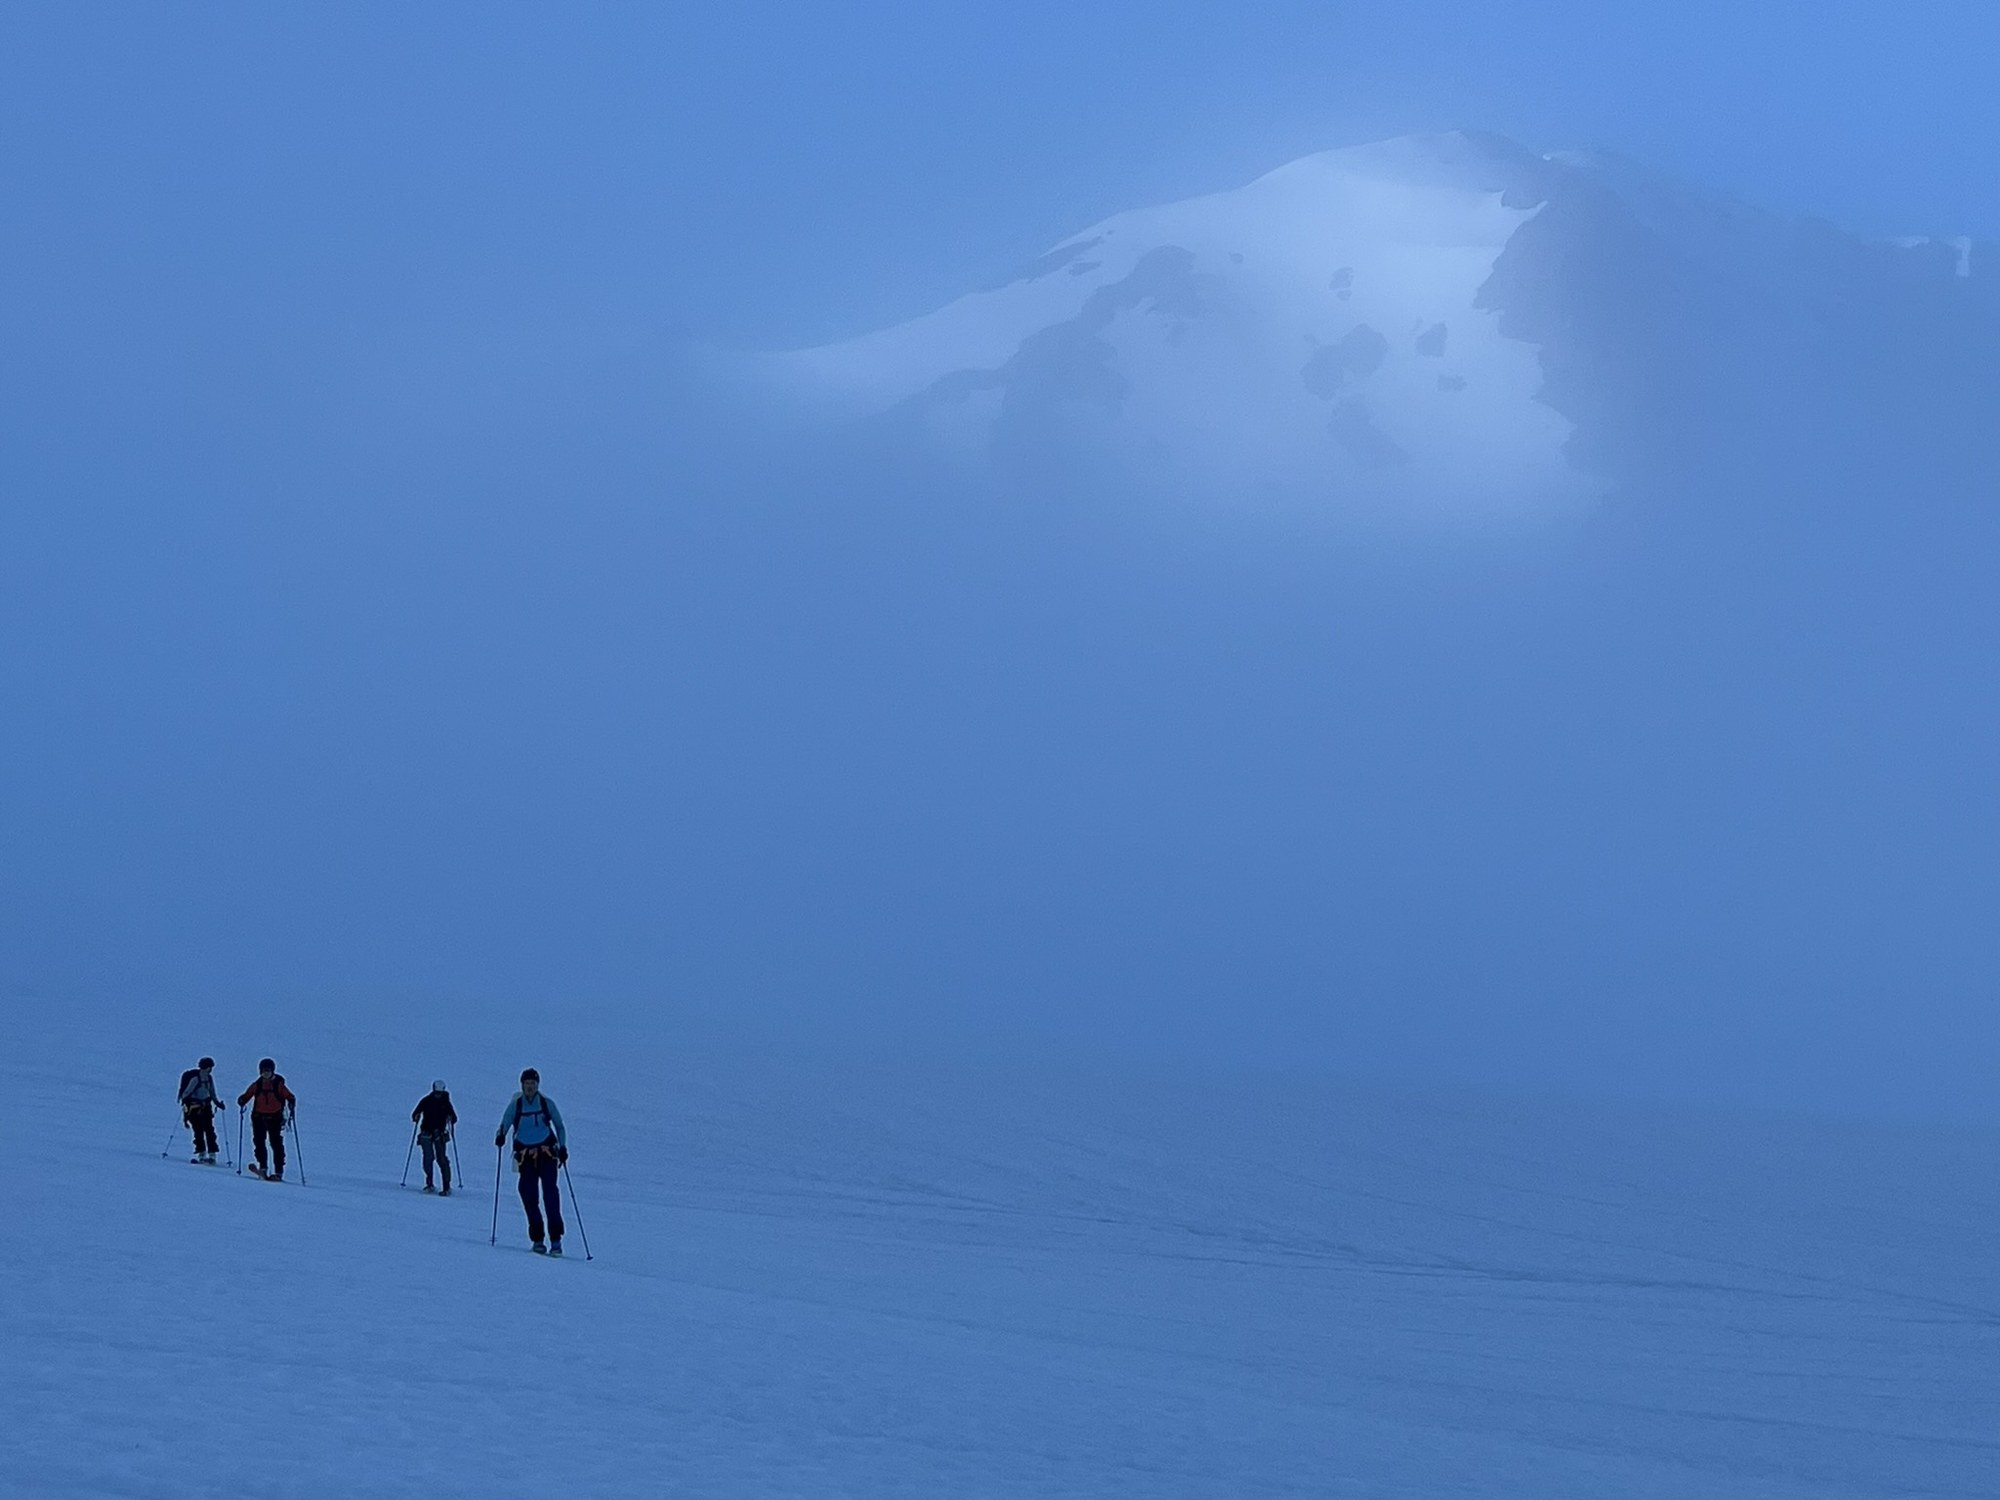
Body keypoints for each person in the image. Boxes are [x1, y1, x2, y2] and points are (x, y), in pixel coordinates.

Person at [495, 1068, 567, 1254]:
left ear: (537, 1085)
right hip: (526, 1157)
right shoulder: (516, 1105)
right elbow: (505, 1122)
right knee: (529, 1196)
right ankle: (538, 1239)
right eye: (527, 1083)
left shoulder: (546, 1103)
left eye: (533, 1083)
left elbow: (559, 1126)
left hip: (547, 1154)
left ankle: (555, 1240)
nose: (530, 1087)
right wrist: (501, 1135)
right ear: (522, 1084)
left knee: (550, 1195)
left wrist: (563, 1147)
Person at [237, 1058, 296, 1180]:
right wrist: (242, 1100)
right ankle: (263, 1167)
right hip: (258, 1117)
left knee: (276, 1144)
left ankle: (278, 1171)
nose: (266, 1073)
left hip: (274, 1117)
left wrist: (291, 1102)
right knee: (259, 1142)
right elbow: (247, 1095)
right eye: (264, 1071)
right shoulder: (257, 1085)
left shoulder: (278, 1085)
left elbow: (289, 1096)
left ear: (272, 1071)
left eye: (268, 1071)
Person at [410, 1080, 458, 1195]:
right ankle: (429, 1183)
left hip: (439, 1134)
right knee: (428, 1158)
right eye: (436, 1093)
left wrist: (451, 1119)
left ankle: (446, 1186)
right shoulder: (426, 1101)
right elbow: (415, 1113)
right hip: (426, 1133)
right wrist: (416, 1116)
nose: (438, 1095)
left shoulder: (446, 1103)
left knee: (441, 1159)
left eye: (439, 1093)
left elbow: (454, 1117)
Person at [177, 1057, 221, 1164]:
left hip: (205, 1106)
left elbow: (212, 1093)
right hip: (196, 1108)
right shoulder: (196, 1079)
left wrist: (217, 1103)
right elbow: (186, 1093)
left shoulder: (209, 1078)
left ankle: (210, 1153)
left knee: (209, 1130)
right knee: (199, 1130)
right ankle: (203, 1153)